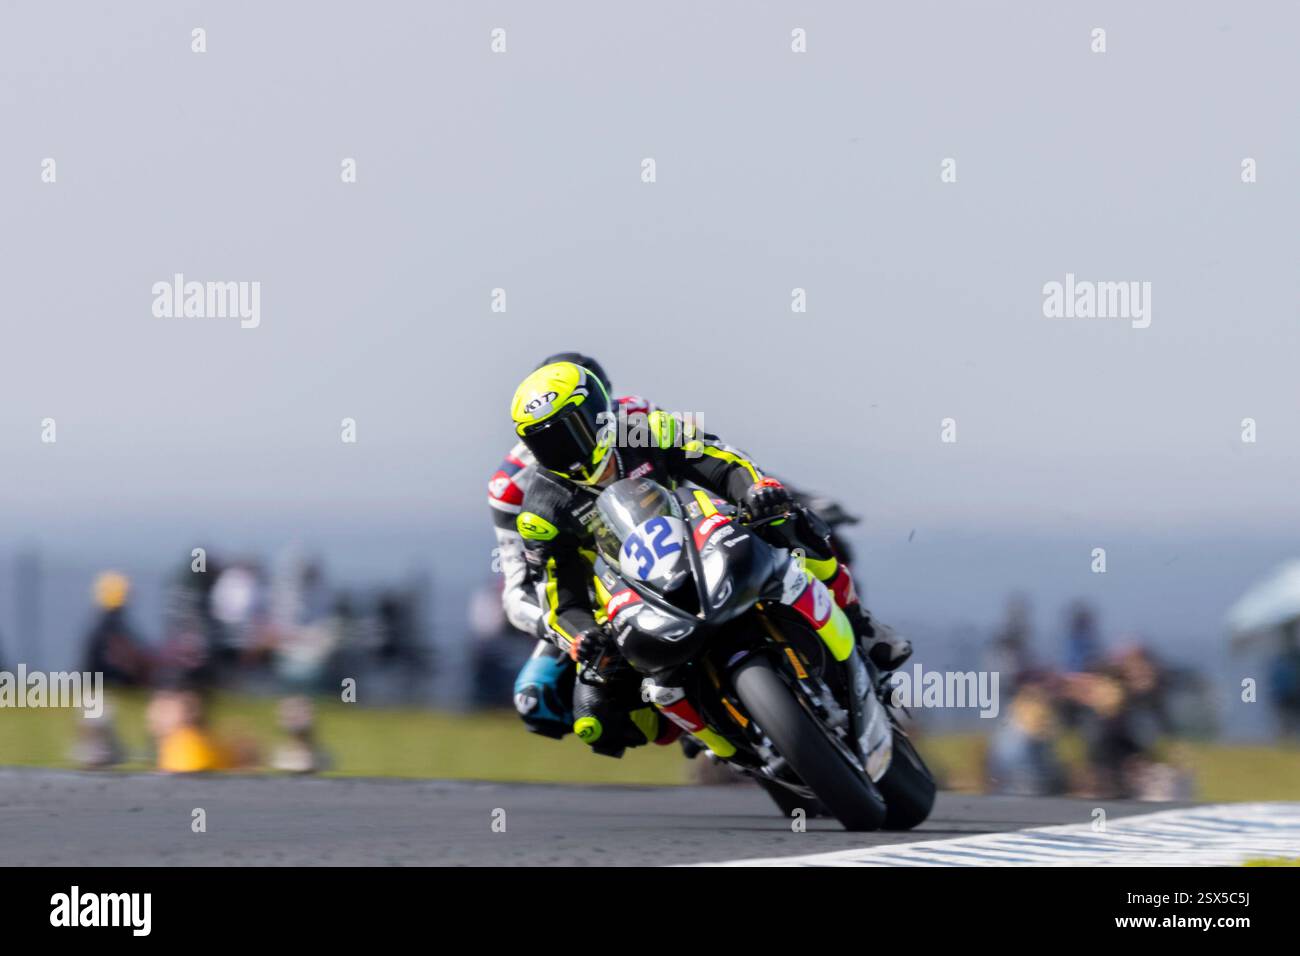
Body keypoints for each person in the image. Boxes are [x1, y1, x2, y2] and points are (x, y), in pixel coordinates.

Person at [509, 359, 910, 757]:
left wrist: (756, 489)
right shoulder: (540, 511)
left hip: (697, 532)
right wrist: (581, 636)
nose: (564, 452)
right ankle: (719, 744)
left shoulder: (644, 428)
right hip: (625, 594)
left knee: (791, 522)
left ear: (597, 413)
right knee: (594, 718)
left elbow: (721, 462)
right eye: (546, 443)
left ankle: (860, 624)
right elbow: (560, 600)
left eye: (570, 432)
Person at [489, 352, 657, 739]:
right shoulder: (510, 488)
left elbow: (706, 461)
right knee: (536, 699)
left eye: (590, 418)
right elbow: (517, 595)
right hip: (597, 592)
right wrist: (578, 630)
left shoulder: (637, 417)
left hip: (678, 543)